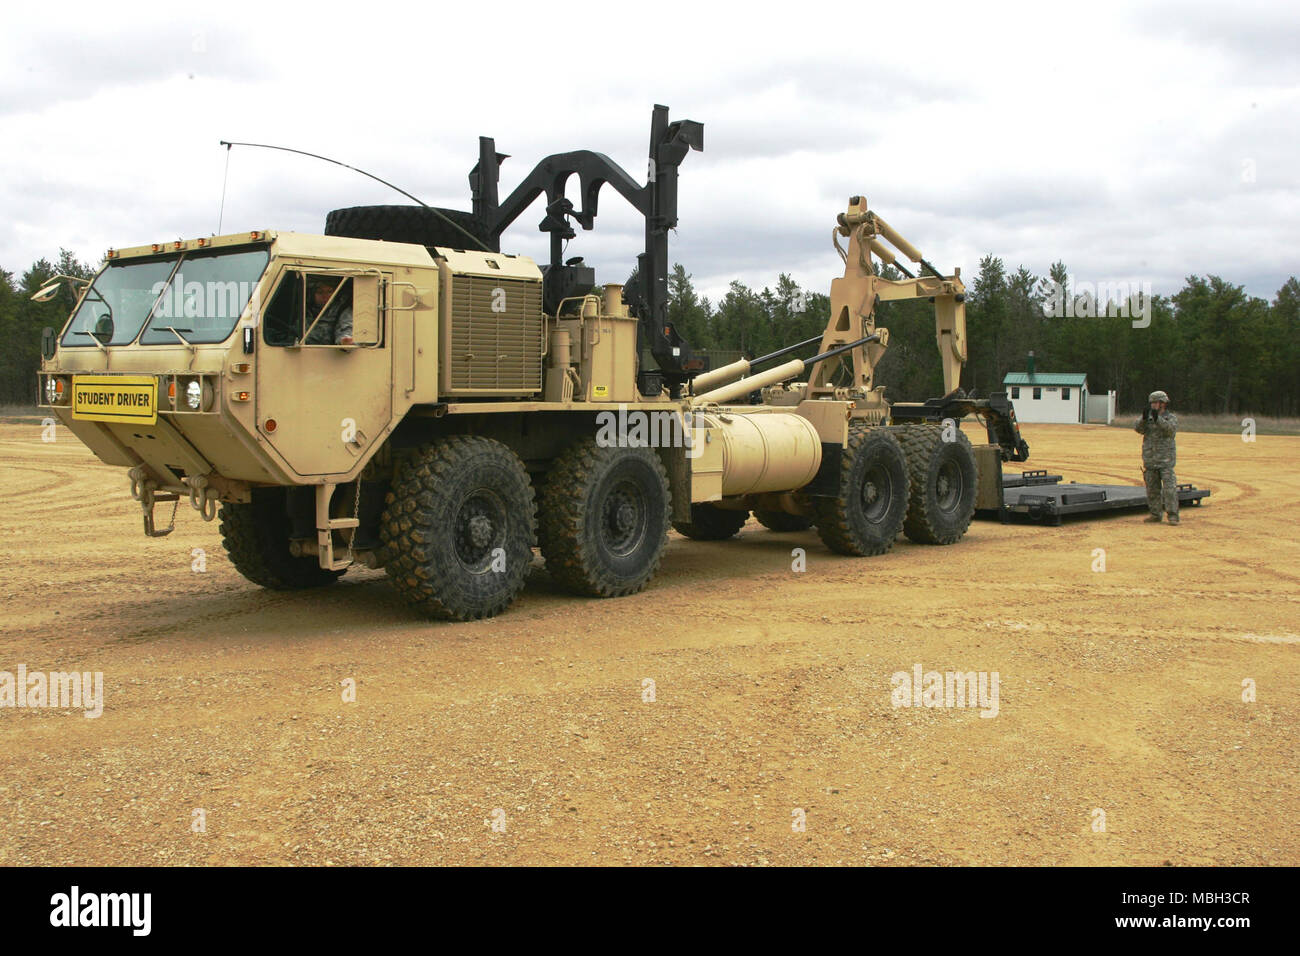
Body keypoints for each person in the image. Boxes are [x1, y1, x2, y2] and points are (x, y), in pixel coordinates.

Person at [1135, 389, 1179, 524]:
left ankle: (1172, 515)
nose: (1153, 405)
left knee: (1169, 489)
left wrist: (1157, 419)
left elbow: (1170, 431)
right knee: (1152, 489)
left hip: (1165, 459)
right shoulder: (1148, 417)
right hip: (1150, 458)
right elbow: (1138, 429)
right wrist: (1143, 419)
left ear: (1163, 403)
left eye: (1156, 402)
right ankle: (1155, 514)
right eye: (1152, 402)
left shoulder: (1170, 418)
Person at [303, 277, 354, 346]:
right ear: (312, 295)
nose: (325, 296)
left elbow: (346, 328)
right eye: (320, 292)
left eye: (329, 291)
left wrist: (344, 340)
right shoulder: (304, 310)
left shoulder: (342, 310)